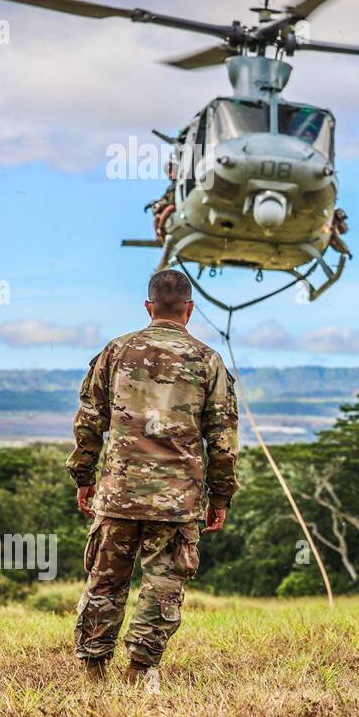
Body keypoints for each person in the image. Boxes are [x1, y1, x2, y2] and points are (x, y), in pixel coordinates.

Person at [69, 268, 238, 683]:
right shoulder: (207, 360)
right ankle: (138, 669)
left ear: (148, 307)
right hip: (177, 501)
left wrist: (84, 475)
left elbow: (90, 420)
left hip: (119, 494)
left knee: (105, 581)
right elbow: (222, 438)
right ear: (189, 310)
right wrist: (221, 498)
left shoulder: (116, 351)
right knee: (163, 584)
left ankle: (94, 672)